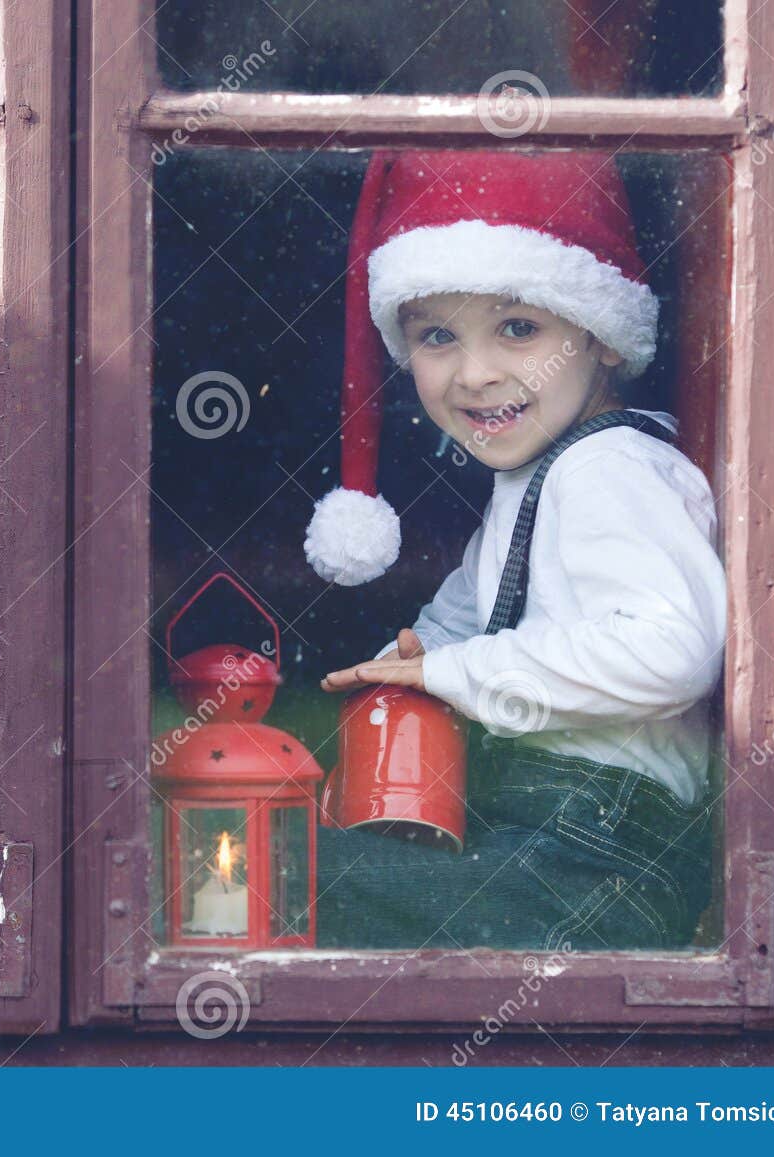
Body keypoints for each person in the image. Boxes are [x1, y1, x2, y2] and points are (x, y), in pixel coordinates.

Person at [302, 149, 725, 950]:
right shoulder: (534, 481)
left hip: (597, 859)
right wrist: (412, 667)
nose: (475, 372)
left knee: (276, 874)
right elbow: (451, 627)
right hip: (537, 840)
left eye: (519, 328)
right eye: (437, 336)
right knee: (310, 870)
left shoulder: (607, 469)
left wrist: (449, 672)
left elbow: (673, 649)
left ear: (601, 336)